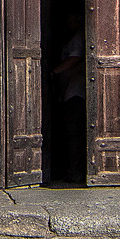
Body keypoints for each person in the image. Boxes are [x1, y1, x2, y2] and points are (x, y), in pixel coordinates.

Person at [52, 11, 86, 183]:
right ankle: (74, 171)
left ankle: (75, 172)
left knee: (74, 133)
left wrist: (53, 72)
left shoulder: (79, 36)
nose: (70, 22)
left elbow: (74, 58)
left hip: (76, 93)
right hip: (71, 91)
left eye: (73, 18)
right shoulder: (76, 36)